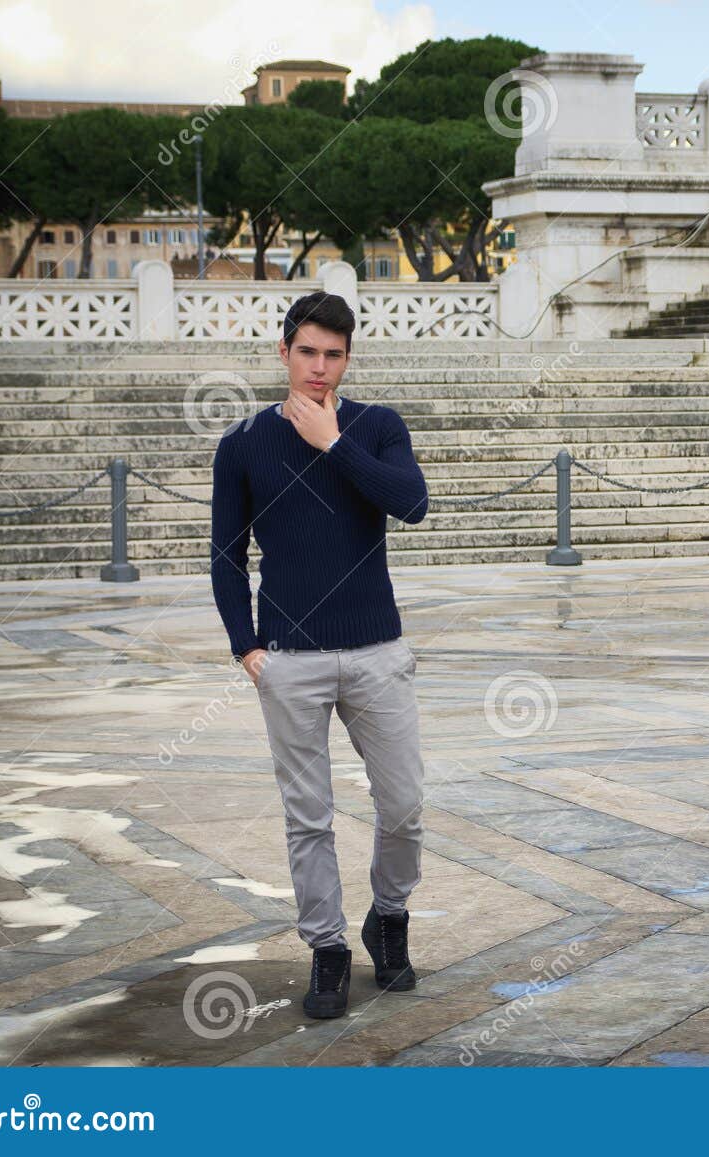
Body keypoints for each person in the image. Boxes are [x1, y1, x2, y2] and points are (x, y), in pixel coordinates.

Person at [209, 291, 430, 1018]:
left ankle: (388, 917)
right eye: (307, 351)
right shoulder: (242, 443)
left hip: (377, 651)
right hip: (290, 658)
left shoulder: (376, 426)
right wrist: (246, 645)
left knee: (403, 807)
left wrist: (335, 441)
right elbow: (226, 554)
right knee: (309, 817)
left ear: (347, 358)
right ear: (284, 352)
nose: (319, 367)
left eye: (334, 354)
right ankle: (328, 949)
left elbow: (412, 502)